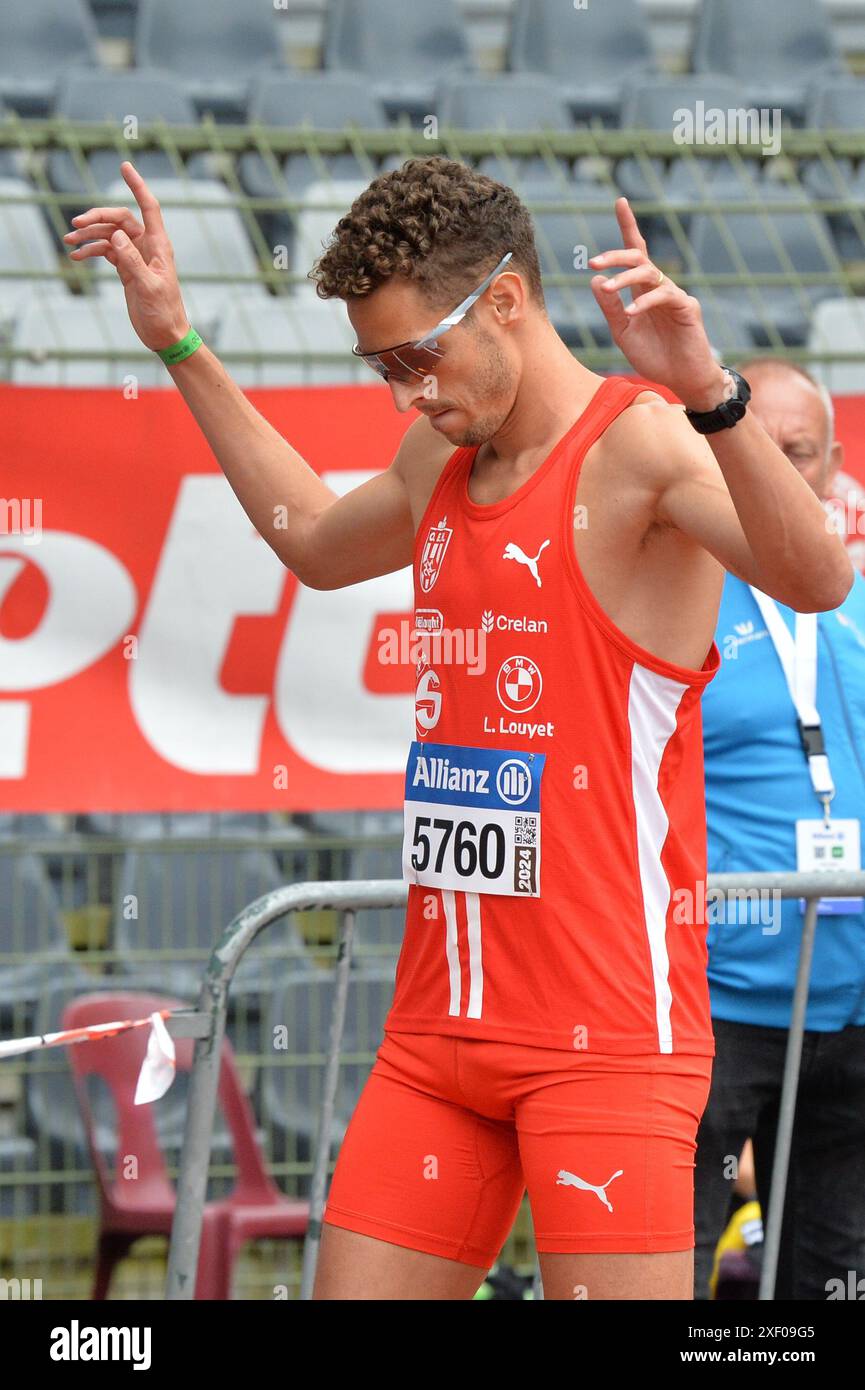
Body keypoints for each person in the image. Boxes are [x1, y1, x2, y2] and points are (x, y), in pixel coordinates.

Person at [64, 157, 852, 1300]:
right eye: (380, 366)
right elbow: (313, 542)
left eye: (414, 356)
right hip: (438, 1038)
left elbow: (815, 576)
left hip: (608, 1042)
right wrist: (180, 343)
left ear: (504, 302)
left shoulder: (638, 445)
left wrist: (709, 391)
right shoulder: (442, 452)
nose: (402, 394)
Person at [694, 358, 865, 1301]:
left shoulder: (856, 608)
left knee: (829, 1279)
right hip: (719, 1004)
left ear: (835, 467)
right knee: (675, 1269)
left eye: (793, 452)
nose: (770, 469)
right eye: (746, 442)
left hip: (852, 1012)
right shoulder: (674, 595)